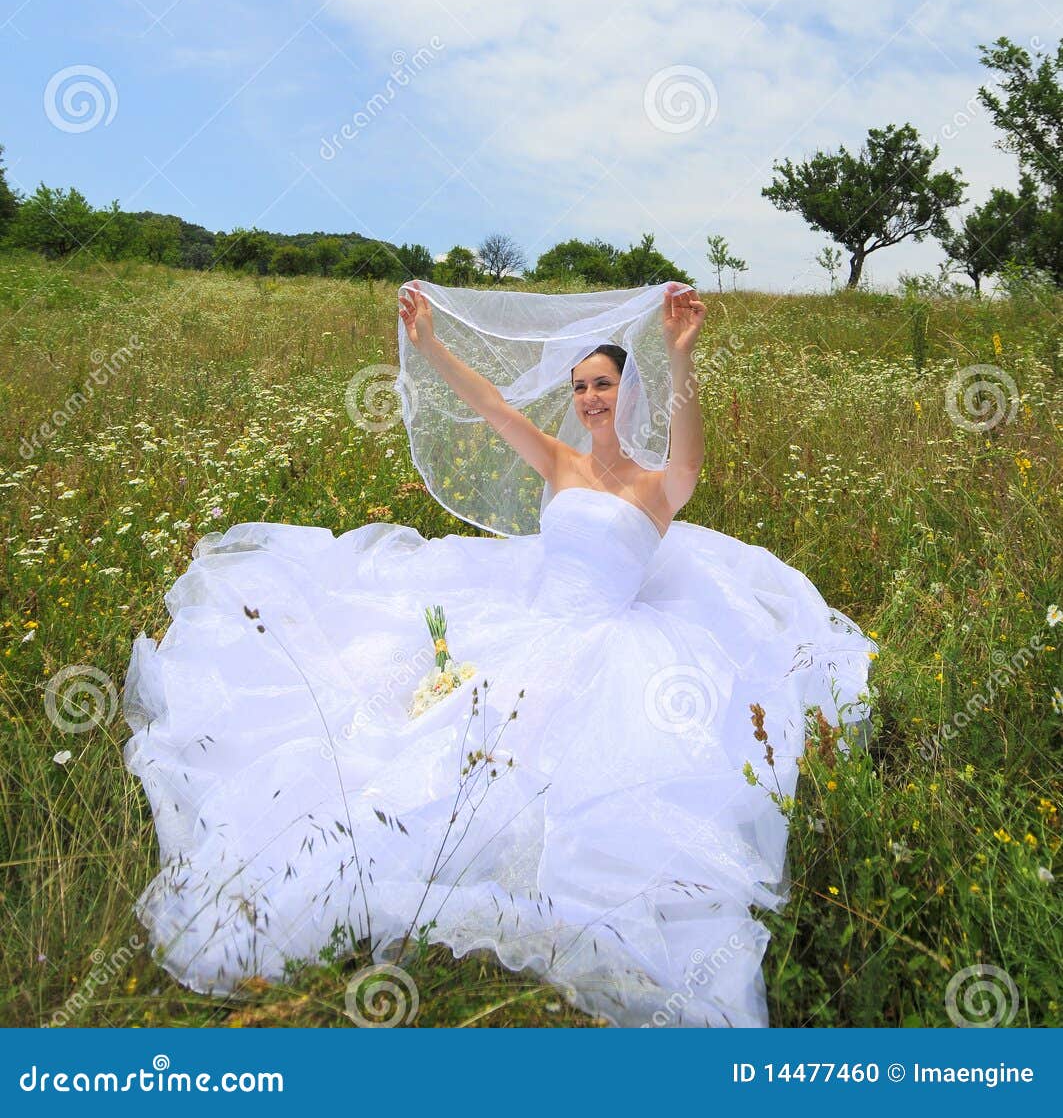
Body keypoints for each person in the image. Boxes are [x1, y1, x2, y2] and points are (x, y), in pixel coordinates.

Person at [123, 279, 874, 1028]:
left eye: (603, 384)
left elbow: (689, 457)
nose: (588, 398)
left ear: (629, 390)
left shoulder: (655, 487)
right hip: (529, 623)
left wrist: (680, 354)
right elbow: (491, 408)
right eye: (580, 386)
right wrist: (429, 346)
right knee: (430, 738)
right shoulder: (558, 462)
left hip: (607, 642)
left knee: (566, 773)